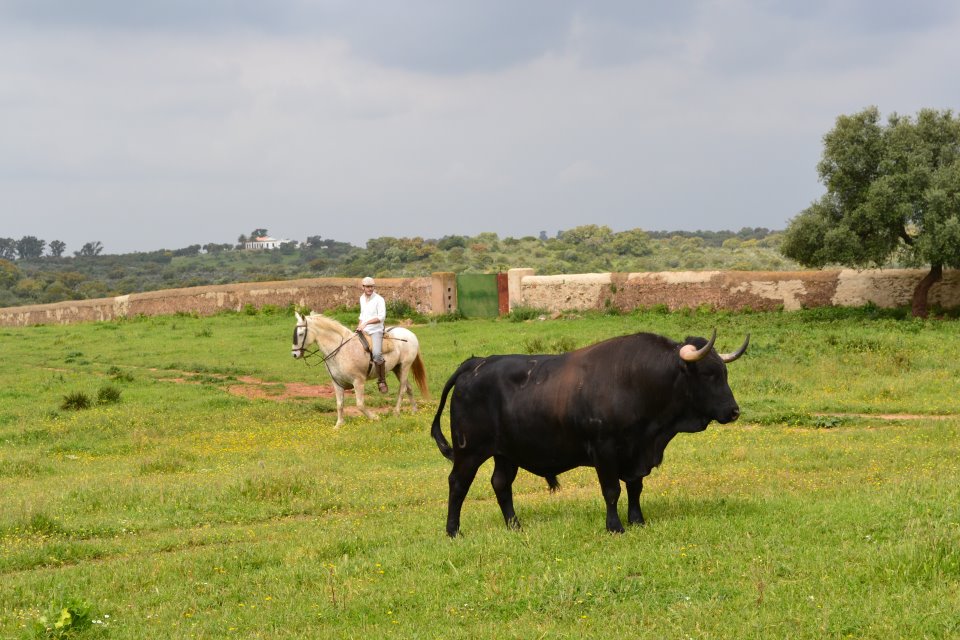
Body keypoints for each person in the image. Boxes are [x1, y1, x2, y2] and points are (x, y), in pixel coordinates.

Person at [357, 276, 388, 393]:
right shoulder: (361, 298)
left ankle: (382, 381)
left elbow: (381, 317)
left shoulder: (379, 299)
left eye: (372, 286)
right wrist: (359, 326)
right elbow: (362, 315)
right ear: (363, 287)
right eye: (367, 287)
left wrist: (366, 323)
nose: (370, 289)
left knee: (376, 354)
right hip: (364, 329)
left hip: (376, 330)